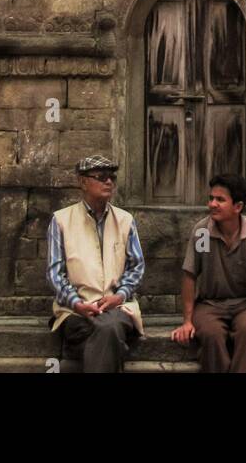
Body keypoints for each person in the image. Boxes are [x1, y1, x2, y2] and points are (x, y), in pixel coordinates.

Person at [171, 172, 246, 372]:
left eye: (220, 200)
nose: (212, 204)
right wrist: (187, 321)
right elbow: (190, 275)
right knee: (211, 334)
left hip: (244, 305)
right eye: (211, 198)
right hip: (209, 305)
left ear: (237, 207)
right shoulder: (203, 231)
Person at [47, 154, 144, 374]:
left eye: (112, 177)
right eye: (101, 177)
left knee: (109, 326)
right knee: (109, 332)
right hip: (75, 310)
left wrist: (119, 296)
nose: (108, 182)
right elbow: (55, 274)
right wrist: (77, 303)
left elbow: (136, 267)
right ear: (83, 182)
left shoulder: (125, 220)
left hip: (118, 306)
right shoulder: (61, 220)